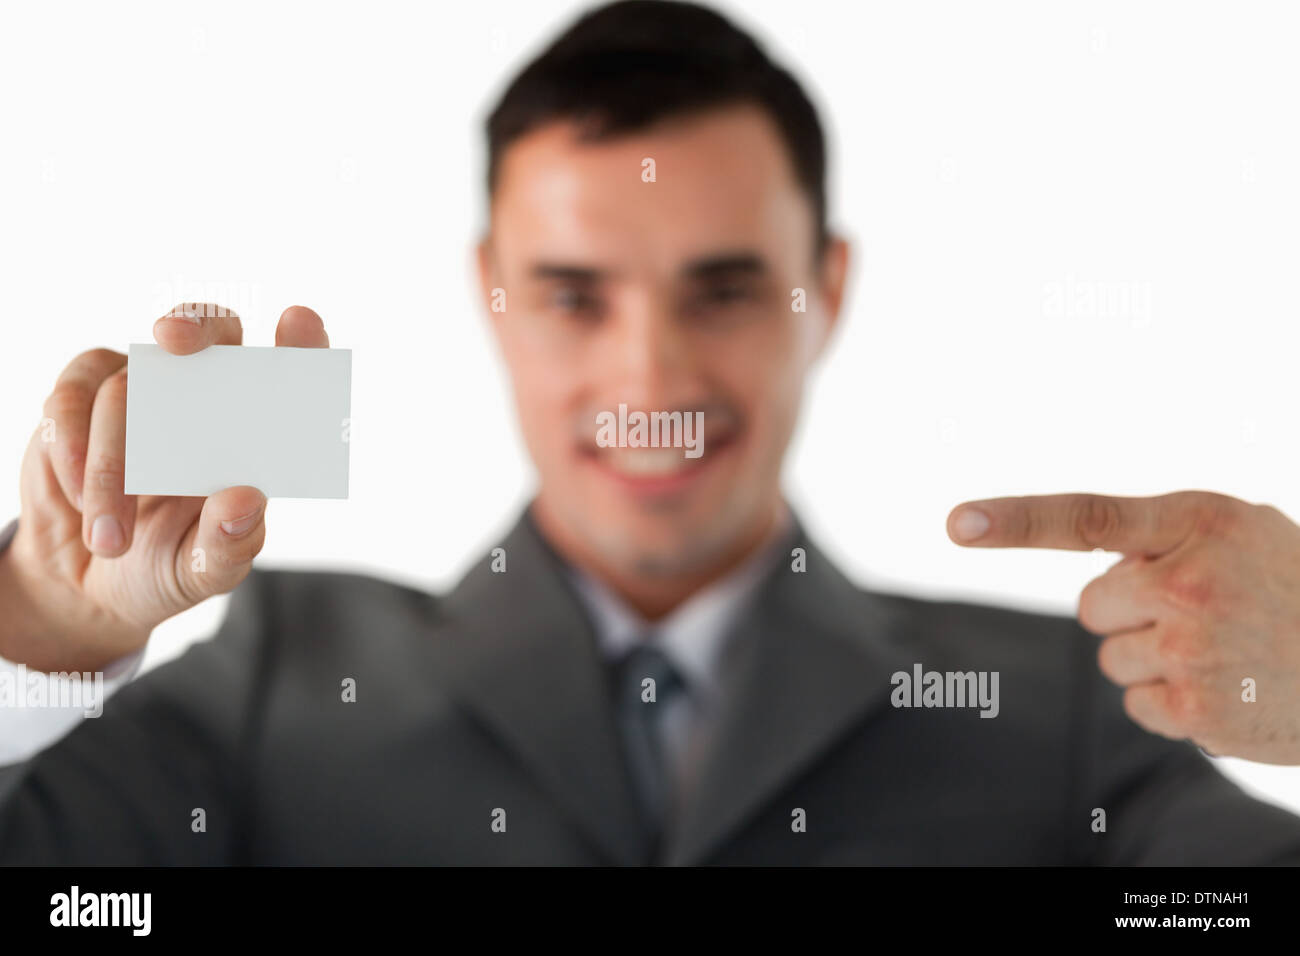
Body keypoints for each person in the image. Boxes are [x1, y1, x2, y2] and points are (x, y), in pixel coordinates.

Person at [2, 0, 1299, 865]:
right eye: (574, 295)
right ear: (493, 297)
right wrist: (44, 635)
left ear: (826, 291)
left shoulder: (1068, 705)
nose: (650, 372)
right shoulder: (274, 675)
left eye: (724, 291)